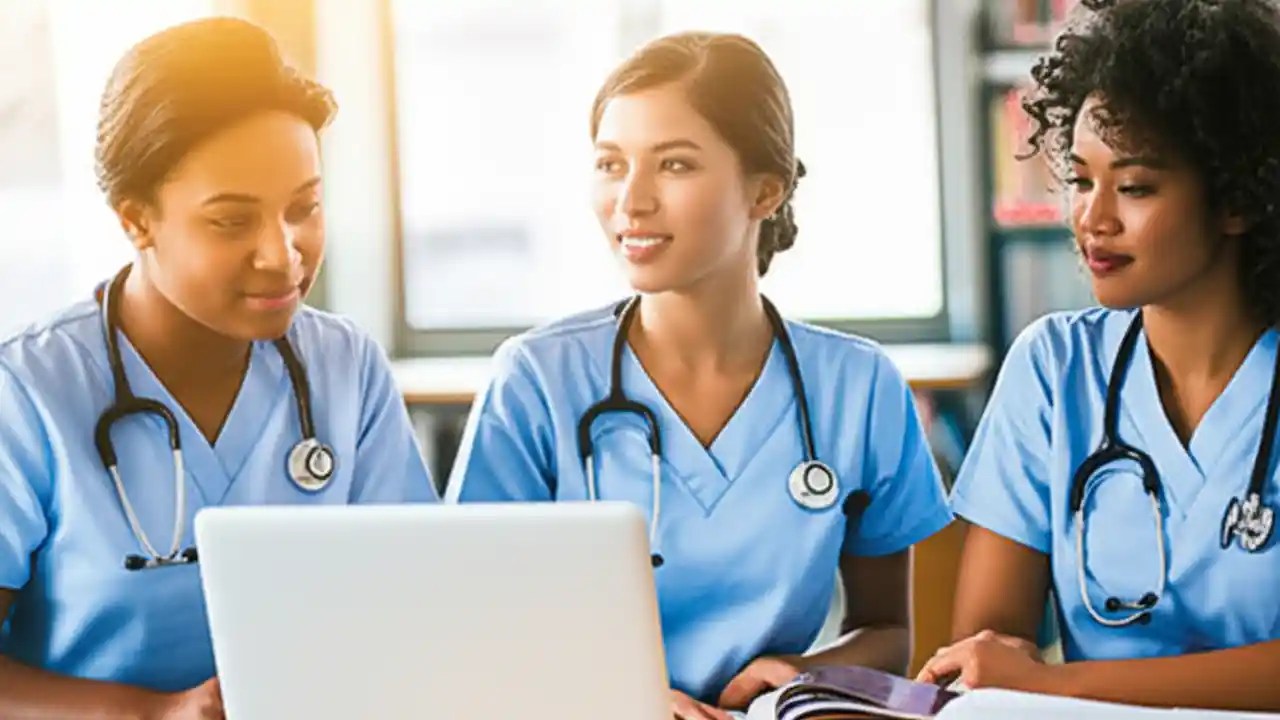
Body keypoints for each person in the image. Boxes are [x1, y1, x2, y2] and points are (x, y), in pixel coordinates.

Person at [445, 31, 953, 719]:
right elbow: (476, 628)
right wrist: (625, 701)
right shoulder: (537, 381)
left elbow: (888, 631)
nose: (631, 200)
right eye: (610, 164)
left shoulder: (858, 388)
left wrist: (802, 673)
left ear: (765, 189)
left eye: (675, 165)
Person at [0, 16, 436, 719]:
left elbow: (412, 606)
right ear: (136, 219)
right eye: (232, 221)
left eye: (304, 207)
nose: (283, 254)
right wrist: (154, 713)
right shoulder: (27, 393)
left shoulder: (344, 367)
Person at [915, 0, 1280, 711]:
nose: (1093, 219)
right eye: (1082, 181)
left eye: (1135, 187)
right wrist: (1031, 683)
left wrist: (1059, 684)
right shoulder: (1054, 370)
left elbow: (1026, 679)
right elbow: (984, 659)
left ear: (1238, 200)